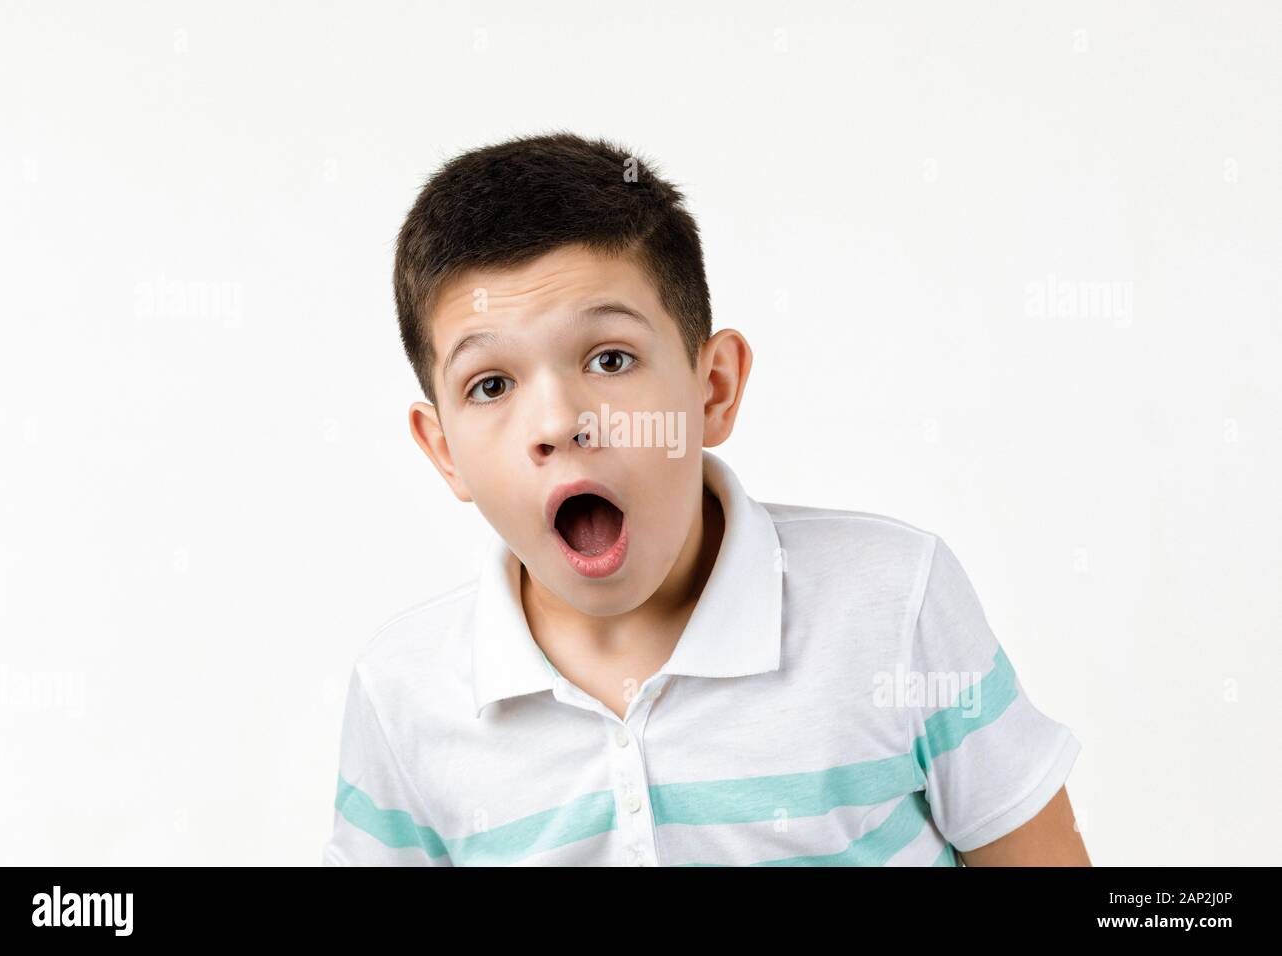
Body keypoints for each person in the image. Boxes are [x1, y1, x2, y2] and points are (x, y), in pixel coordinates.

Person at [322, 131, 1089, 866]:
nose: (559, 423)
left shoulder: (892, 604)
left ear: (712, 388)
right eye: (491, 384)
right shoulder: (405, 693)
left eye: (611, 357)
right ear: (445, 451)